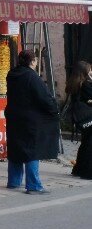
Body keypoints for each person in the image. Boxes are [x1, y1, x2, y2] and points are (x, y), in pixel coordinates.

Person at [5, 50, 59, 194]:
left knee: (16, 149)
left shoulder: (12, 75)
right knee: (32, 150)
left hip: (14, 117)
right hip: (30, 120)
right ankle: (34, 185)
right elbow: (44, 98)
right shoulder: (31, 76)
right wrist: (54, 110)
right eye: (35, 60)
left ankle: (14, 181)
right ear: (32, 61)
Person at [65, 61, 92, 179]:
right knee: (89, 145)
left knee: (85, 143)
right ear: (85, 72)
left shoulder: (75, 83)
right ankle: (87, 171)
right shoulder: (85, 84)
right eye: (90, 69)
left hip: (82, 118)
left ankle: (79, 169)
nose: (91, 71)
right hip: (89, 117)